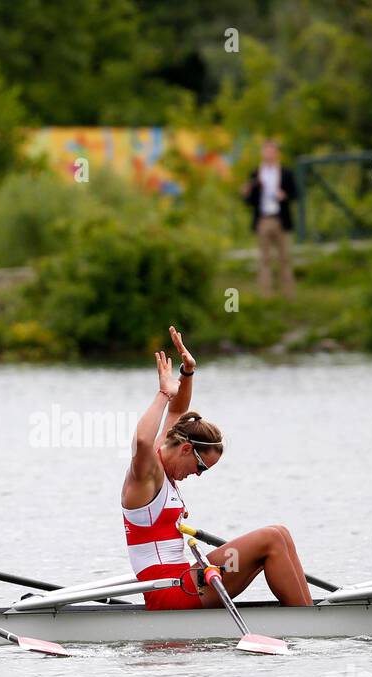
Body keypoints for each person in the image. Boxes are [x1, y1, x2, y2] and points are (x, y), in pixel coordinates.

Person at [121, 326, 313, 610]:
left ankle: (308, 613)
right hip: (170, 593)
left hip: (186, 580)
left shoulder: (166, 460)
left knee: (280, 532)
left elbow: (177, 412)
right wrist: (163, 393)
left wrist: (187, 373)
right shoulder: (146, 476)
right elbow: (141, 439)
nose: (197, 475)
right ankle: (308, 623)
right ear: (186, 449)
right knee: (270, 539)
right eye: (201, 467)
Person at [241, 139, 298, 298]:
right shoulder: (255, 173)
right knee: (264, 259)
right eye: (266, 151)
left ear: (276, 153)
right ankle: (266, 295)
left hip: (281, 218)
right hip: (263, 219)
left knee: (285, 258)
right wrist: (246, 193)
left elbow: (295, 194)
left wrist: (284, 196)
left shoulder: (286, 173)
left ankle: (289, 294)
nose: (269, 154)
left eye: (272, 151)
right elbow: (249, 201)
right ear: (262, 153)